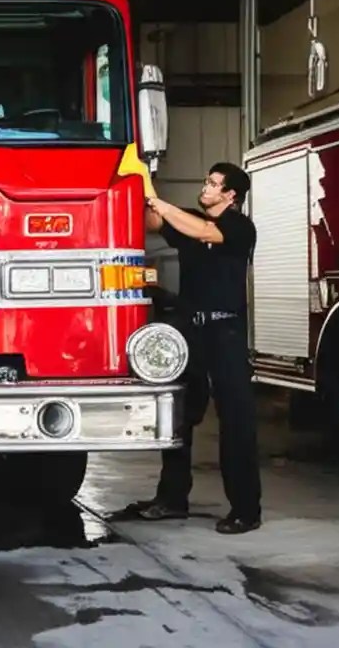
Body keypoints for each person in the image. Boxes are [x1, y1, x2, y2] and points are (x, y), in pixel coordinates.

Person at [126, 161, 263, 535]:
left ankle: (246, 510)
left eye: (213, 184)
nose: (205, 187)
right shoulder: (185, 221)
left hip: (226, 332)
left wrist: (160, 202)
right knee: (179, 415)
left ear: (230, 195)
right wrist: (137, 185)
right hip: (191, 332)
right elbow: (149, 222)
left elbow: (204, 230)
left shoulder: (238, 227)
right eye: (206, 180)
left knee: (236, 421)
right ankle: (172, 499)